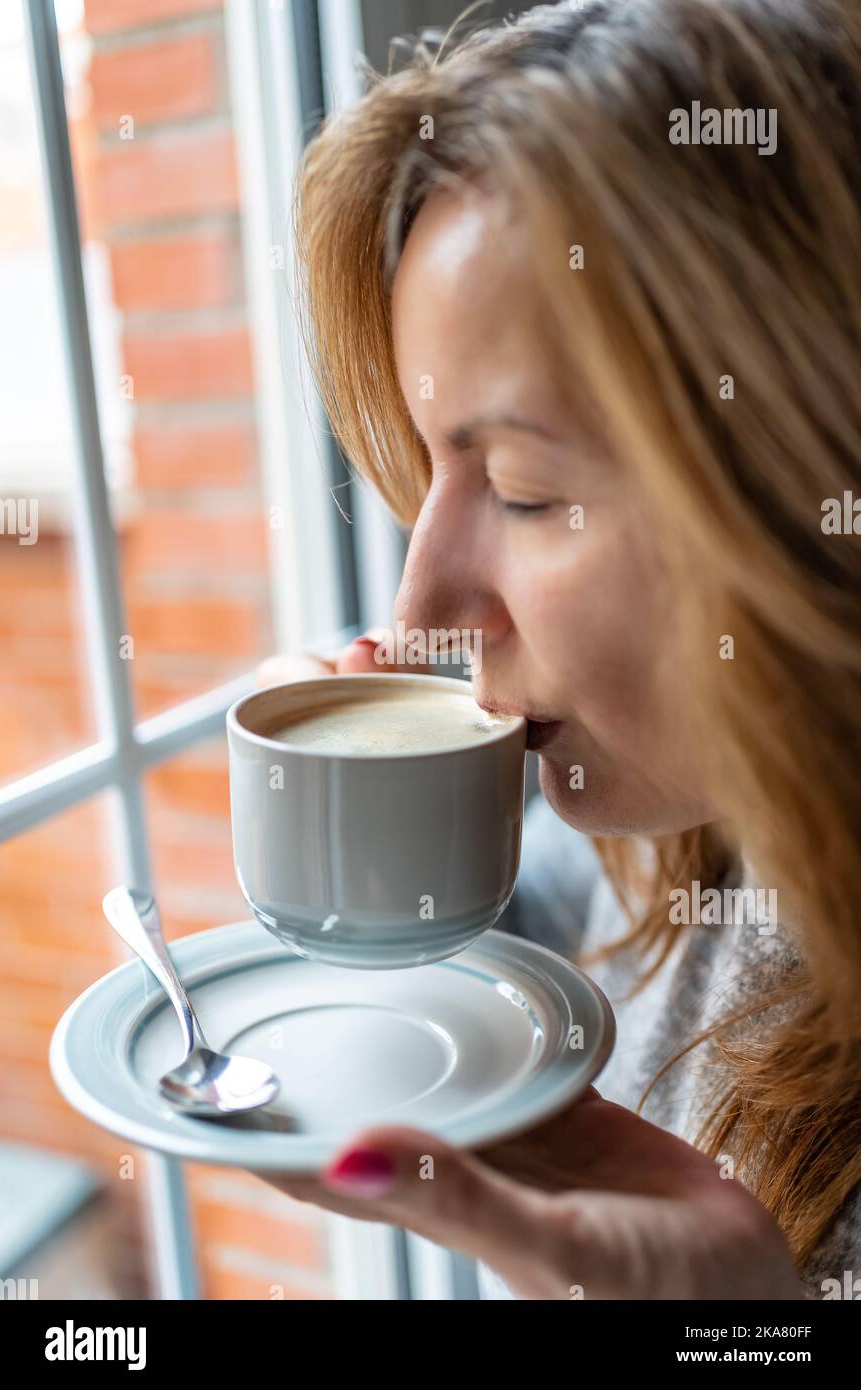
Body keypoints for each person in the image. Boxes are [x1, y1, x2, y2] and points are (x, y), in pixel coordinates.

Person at [254, 0, 861, 1299]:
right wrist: (380, 844)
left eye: (524, 490)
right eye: (430, 476)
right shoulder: (685, 833)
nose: (419, 606)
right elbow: (547, 916)